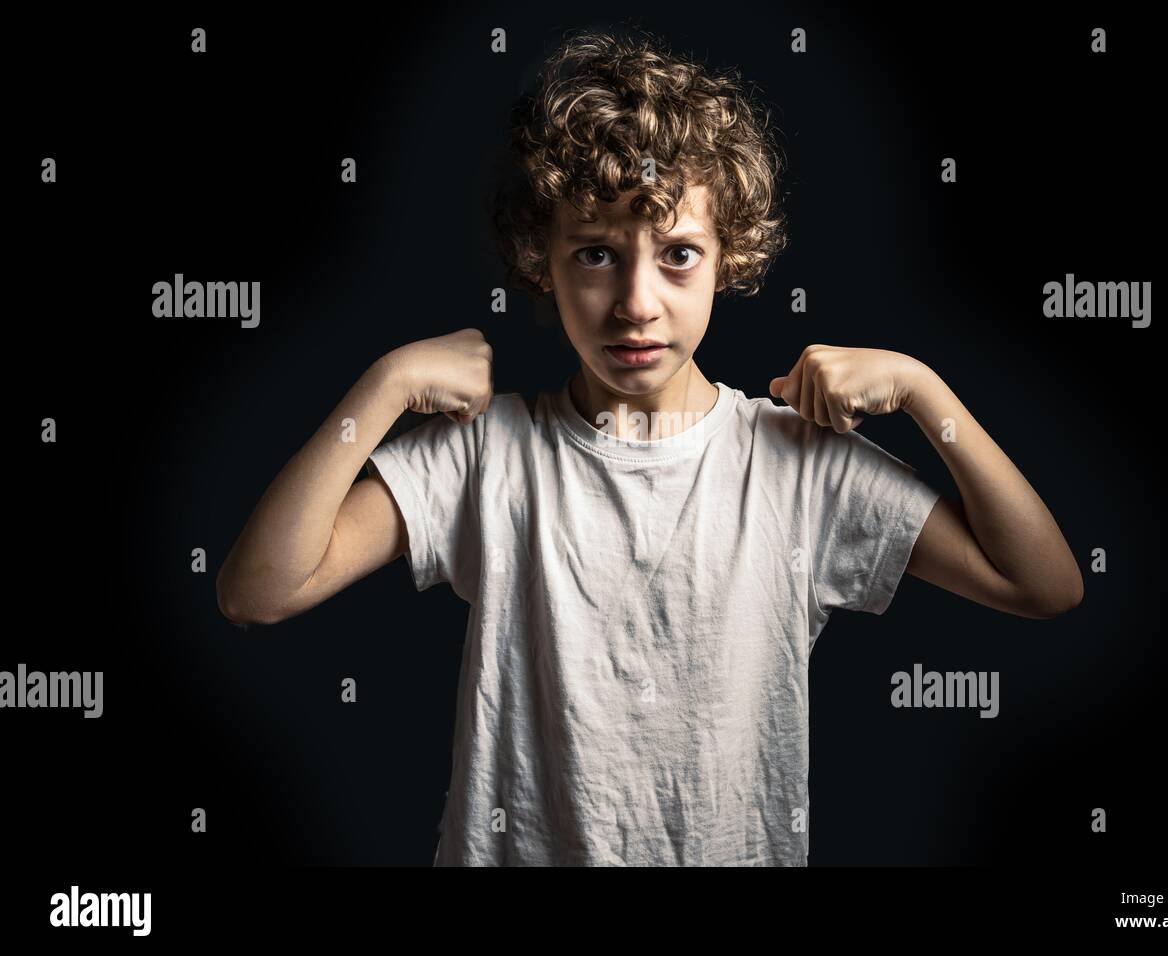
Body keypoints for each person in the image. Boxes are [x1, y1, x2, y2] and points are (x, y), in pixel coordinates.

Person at [216, 28, 1082, 866]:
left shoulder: (794, 462)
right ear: (539, 261)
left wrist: (928, 391)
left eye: (677, 255)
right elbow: (259, 592)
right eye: (595, 253)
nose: (636, 302)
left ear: (727, 259)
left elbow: (1042, 583)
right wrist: (387, 385)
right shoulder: (488, 454)